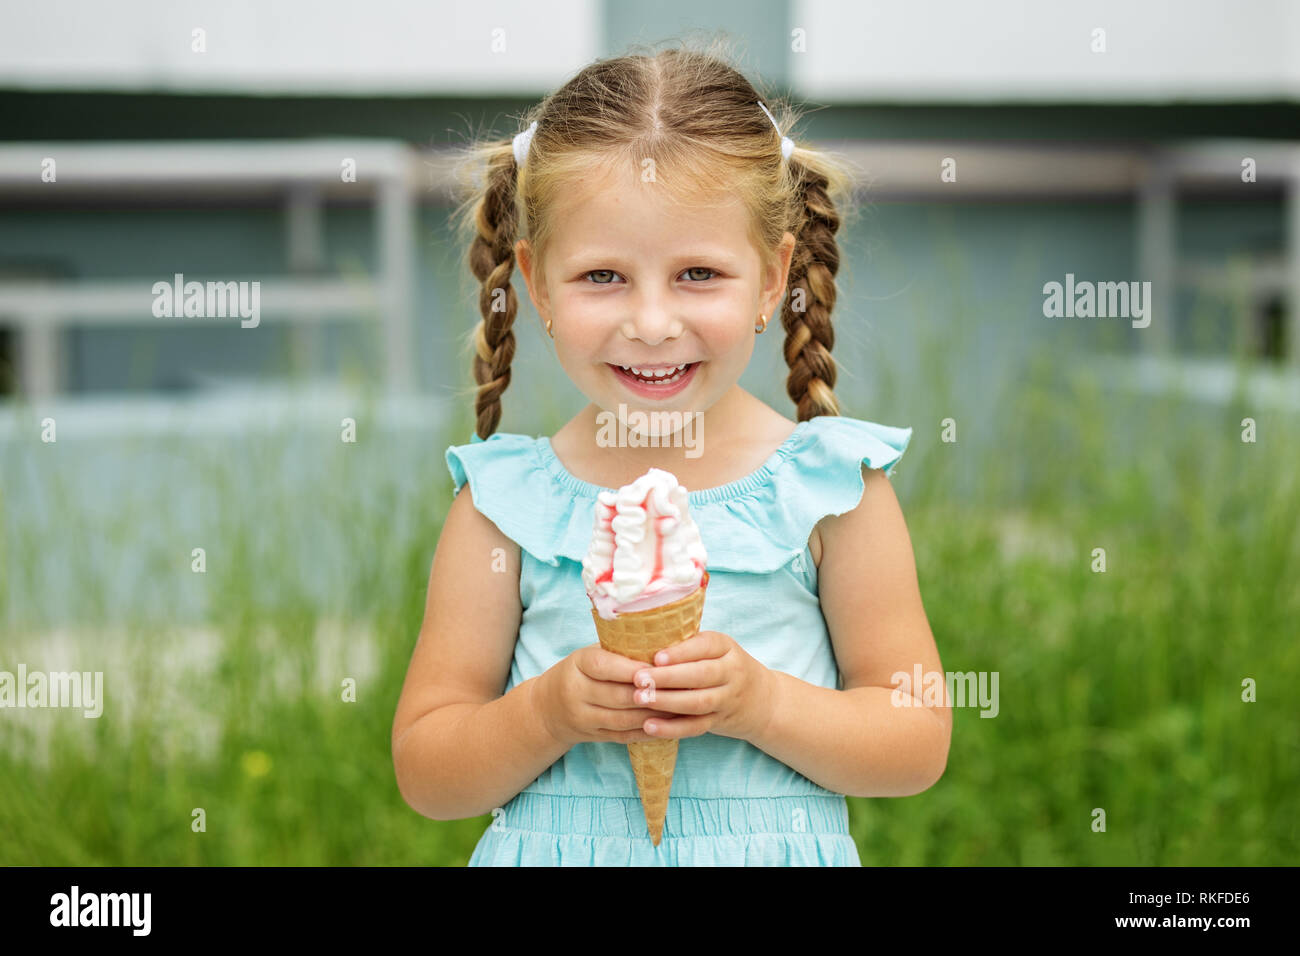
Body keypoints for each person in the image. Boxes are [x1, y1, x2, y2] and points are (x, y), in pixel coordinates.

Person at [392, 42, 950, 865]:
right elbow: (429, 772)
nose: (652, 322)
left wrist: (760, 702)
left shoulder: (831, 491)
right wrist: (546, 713)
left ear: (771, 279)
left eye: (697, 273)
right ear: (537, 285)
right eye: (602, 277)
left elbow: (916, 738)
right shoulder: (502, 508)